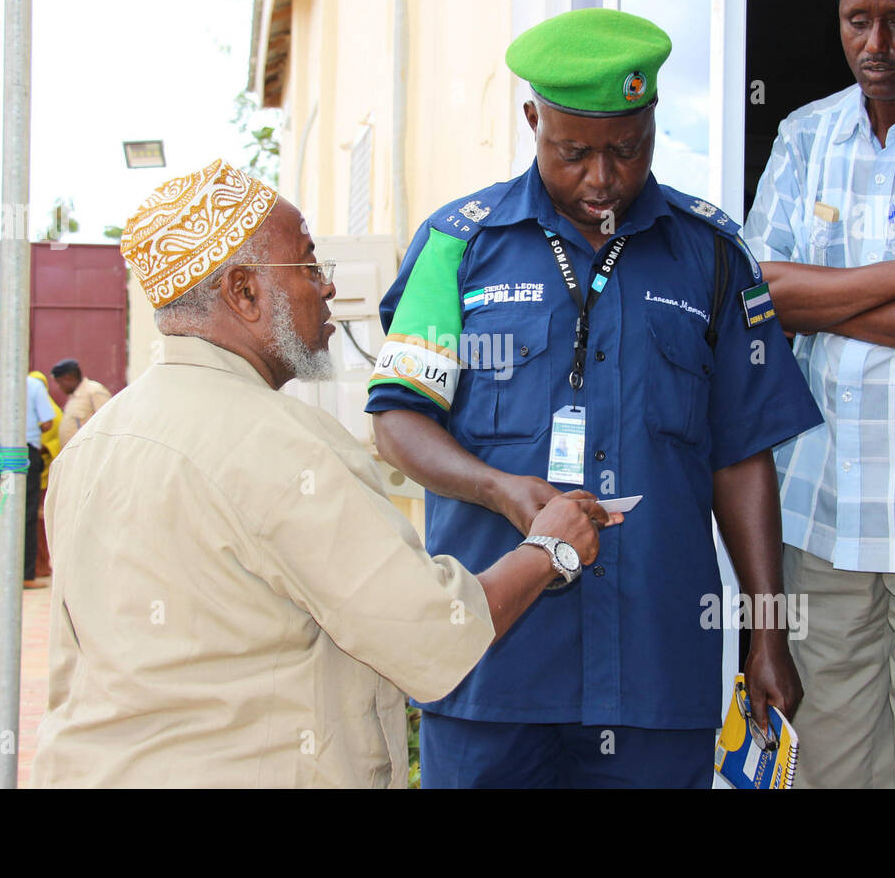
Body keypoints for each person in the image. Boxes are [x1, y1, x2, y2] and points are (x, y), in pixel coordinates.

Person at [33, 159, 618, 788]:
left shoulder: (91, 446)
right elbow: (428, 632)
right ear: (244, 292)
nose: (329, 287)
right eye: (309, 266)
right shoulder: (280, 444)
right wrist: (549, 549)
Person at [365, 8, 823, 788]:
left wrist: (766, 629)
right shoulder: (458, 245)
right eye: (572, 152)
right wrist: (499, 488)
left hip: (654, 672)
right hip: (490, 668)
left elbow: (742, 455)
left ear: (653, 123)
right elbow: (398, 421)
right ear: (531, 119)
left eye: (627, 149)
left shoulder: (711, 255)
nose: (603, 179)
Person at [738, 0, 895, 787]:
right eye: (858, 21)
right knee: (829, 765)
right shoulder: (806, 134)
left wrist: (822, 301)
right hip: (820, 508)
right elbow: (758, 295)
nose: (876, 45)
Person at [0, 370, 55, 587]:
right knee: (25, 513)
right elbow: (48, 422)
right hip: (22, 457)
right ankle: (26, 576)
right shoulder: (34, 386)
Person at [29, 370, 63, 579]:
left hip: (45, 476)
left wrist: (41, 449)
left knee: (42, 524)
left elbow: (57, 442)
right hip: (30, 473)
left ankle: (42, 565)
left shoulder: (53, 413)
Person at [50, 359, 111, 448]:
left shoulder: (94, 391)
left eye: (60, 383)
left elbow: (107, 421)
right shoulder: (74, 395)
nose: (60, 387)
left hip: (88, 451)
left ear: (68, 377)